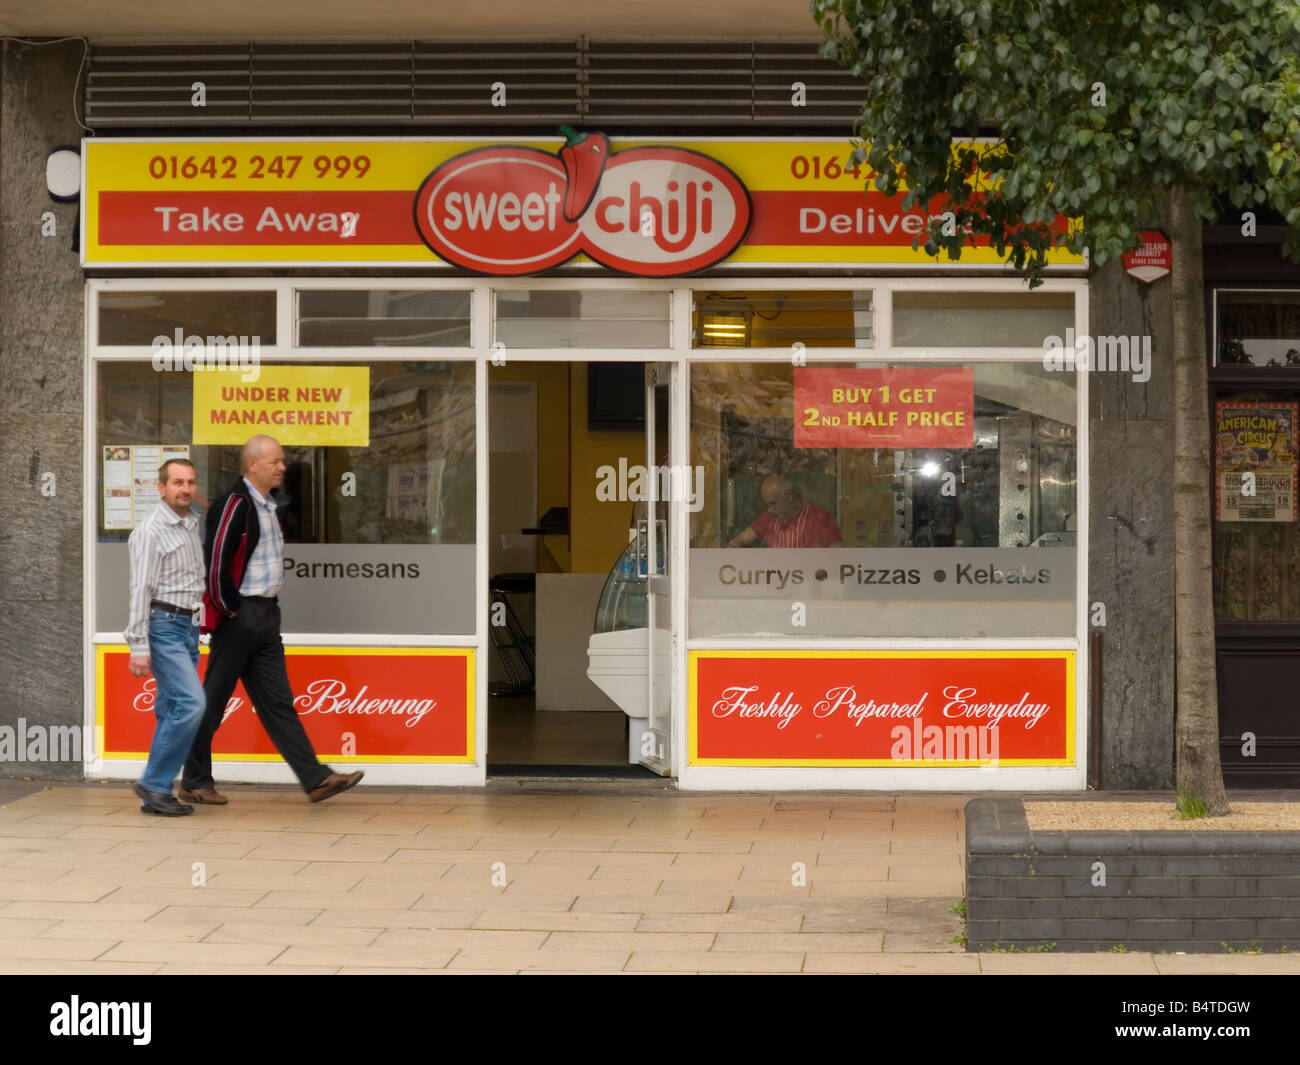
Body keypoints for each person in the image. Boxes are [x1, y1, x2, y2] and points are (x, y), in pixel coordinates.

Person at [181, 435, 363, 804]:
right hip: (241, 616)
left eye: (282, 461)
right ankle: (194, 780)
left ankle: (316, 780)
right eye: (275, 461)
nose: (283, 466)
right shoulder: (236, 504)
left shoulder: (268, 506)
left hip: (265, 616)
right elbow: (215, 565)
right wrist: (231, 611)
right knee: (212, 704)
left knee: (278, 702)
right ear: (252, 465)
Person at [125, 458, 207, 816]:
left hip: (188, 627)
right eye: (177, 482)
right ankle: (155, 783)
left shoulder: (191, 524)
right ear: (161, 488)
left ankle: (153, 797)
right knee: (192, 704)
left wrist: (199, 628)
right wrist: (138, 645)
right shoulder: (150, 530)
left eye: (189, 482)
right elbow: (140, 588)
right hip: (164, 626)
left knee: (172, 708)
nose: (185, 489)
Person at [727, 473, 843, 548]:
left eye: (773, 504)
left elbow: (839, 559)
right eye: (767, 505)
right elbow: (735, 543)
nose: (769, 510)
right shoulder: (767, 519)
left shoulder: (821, 519)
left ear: (789, 495)